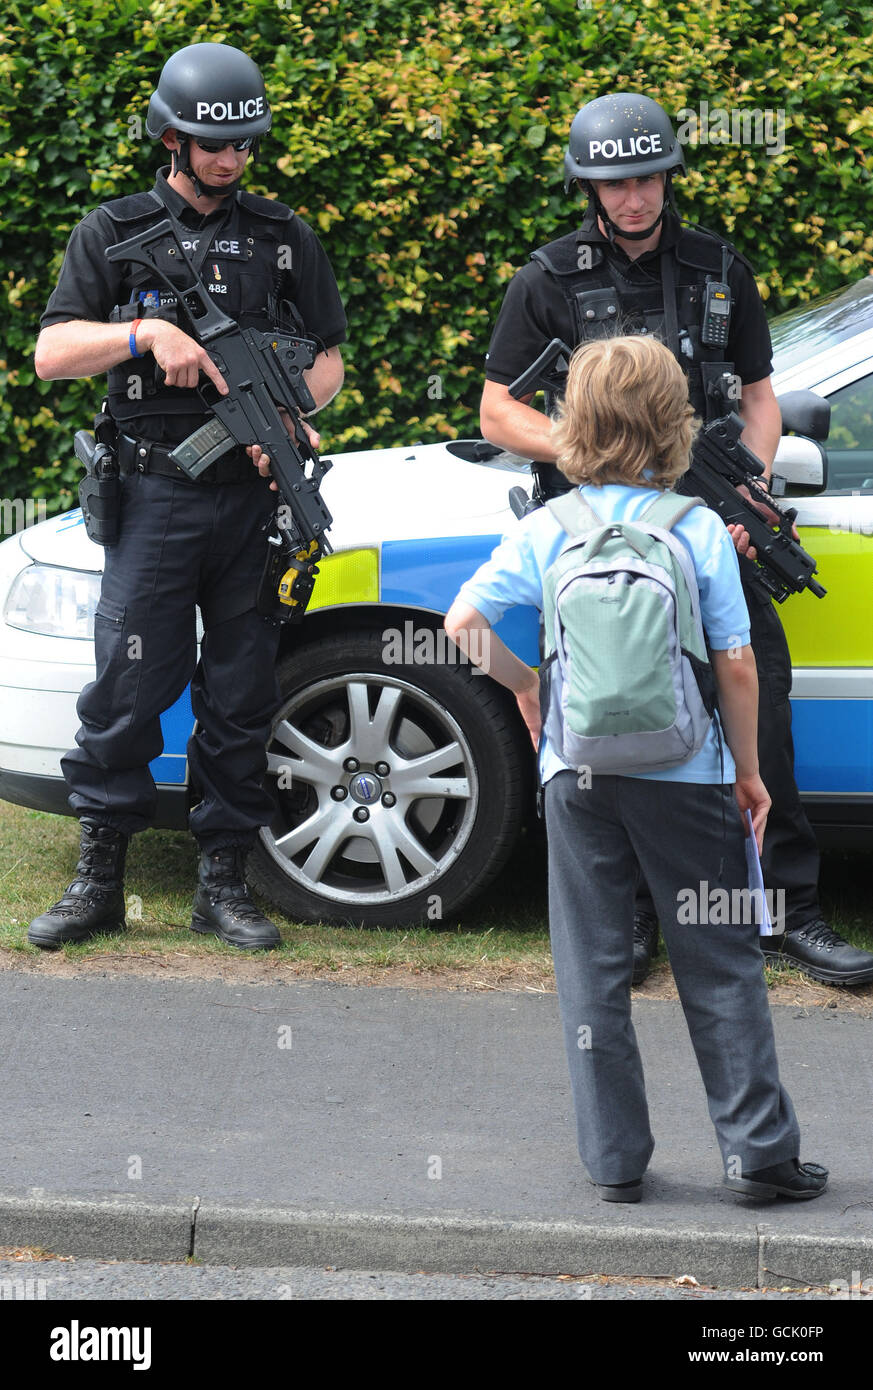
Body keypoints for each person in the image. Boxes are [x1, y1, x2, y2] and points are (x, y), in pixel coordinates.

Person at [478, 92, 873, 989]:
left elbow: (762, 398)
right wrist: (583, 451)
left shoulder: (718, 269)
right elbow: (497, 409)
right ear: (589, 183)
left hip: (706, 530)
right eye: (614, 182)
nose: (633, 198)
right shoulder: (546, 278)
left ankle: (783, 912)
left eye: (647, 177)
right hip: (594, 550)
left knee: (757, 719)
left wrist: (752, 488)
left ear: (666, 177)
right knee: (613, 725)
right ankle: (627, 920)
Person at [445, 334, 828, 1202]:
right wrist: (747, 769)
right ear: (672, 423)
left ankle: (615, 1163)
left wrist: (528, 686)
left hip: (575, 774)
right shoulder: (695, 528)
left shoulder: (546, 527)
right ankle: (758, 1157)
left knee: (591, 966)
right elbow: (734, 662)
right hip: (686, 774)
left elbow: (461, 624)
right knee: (720, 958)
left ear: (574, 420)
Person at [29, 42, 346, 952]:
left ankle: (223, 883)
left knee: (242, 694)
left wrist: (288, 413)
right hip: (156, 497)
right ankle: (98, 881)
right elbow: (53, 355)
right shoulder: (111, 230)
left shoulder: (286, 237)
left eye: (243, 144)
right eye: (213, 144)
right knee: (130, 687)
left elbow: (326, 358)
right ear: (171, 138)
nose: (231, 160)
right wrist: (144, 335)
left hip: (251, 502)